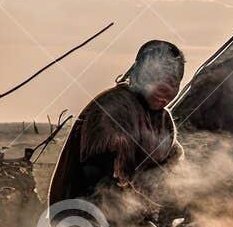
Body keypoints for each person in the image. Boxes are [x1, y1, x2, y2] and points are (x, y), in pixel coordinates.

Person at [49, 40, 185, 206]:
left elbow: (169, 167)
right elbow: (99, 176)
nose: (167, 90)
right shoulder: (111, 108)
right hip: (84, 215)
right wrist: (138, 207)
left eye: (174, 82)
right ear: (141, 75)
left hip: (132, 212)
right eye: (158, 78)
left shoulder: (162, 119)